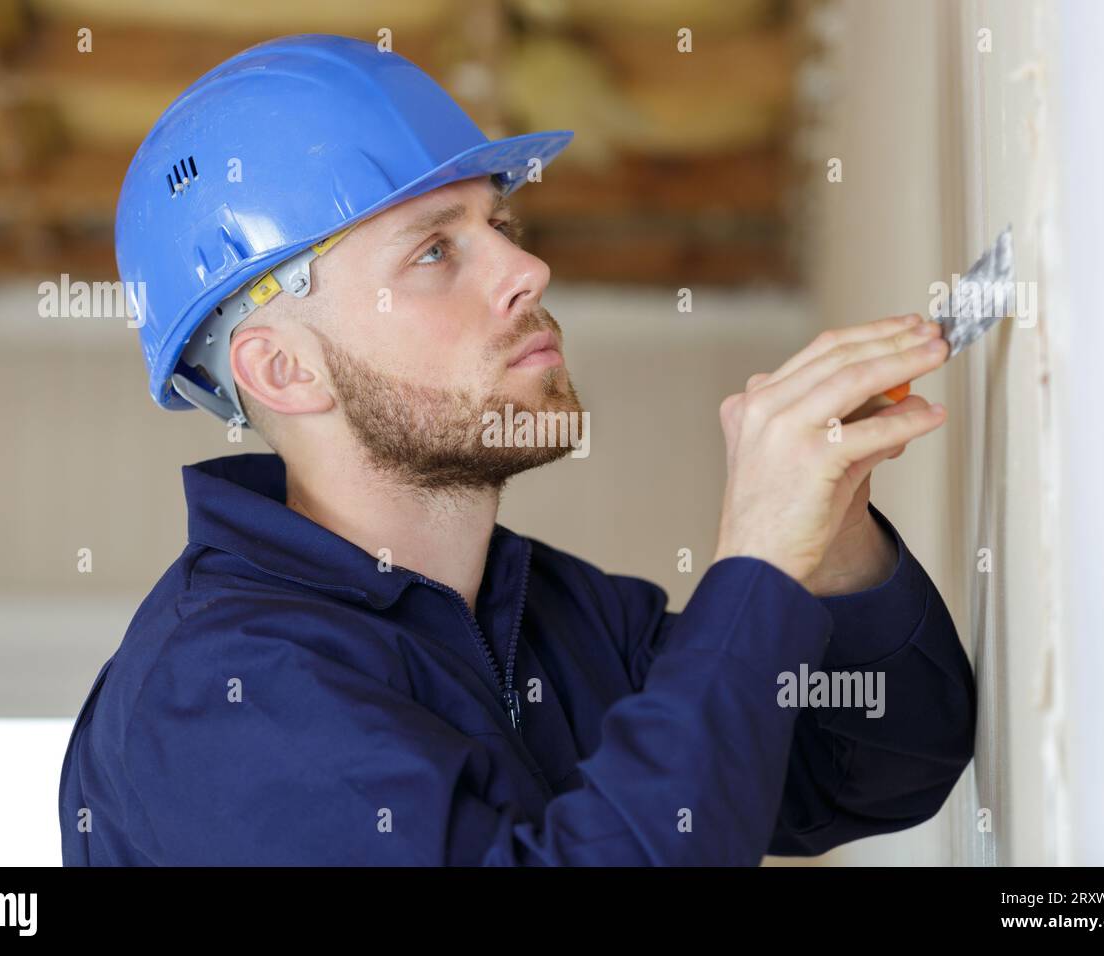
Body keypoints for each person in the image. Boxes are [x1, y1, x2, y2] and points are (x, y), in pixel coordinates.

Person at [59, 34, 974, 866]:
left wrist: (830, 531)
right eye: (433, 253)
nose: (526, 271)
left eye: (497, 227)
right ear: (286, 369)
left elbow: (865, 771)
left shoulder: (550, 613)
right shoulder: (222, 695)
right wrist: (758, 562)